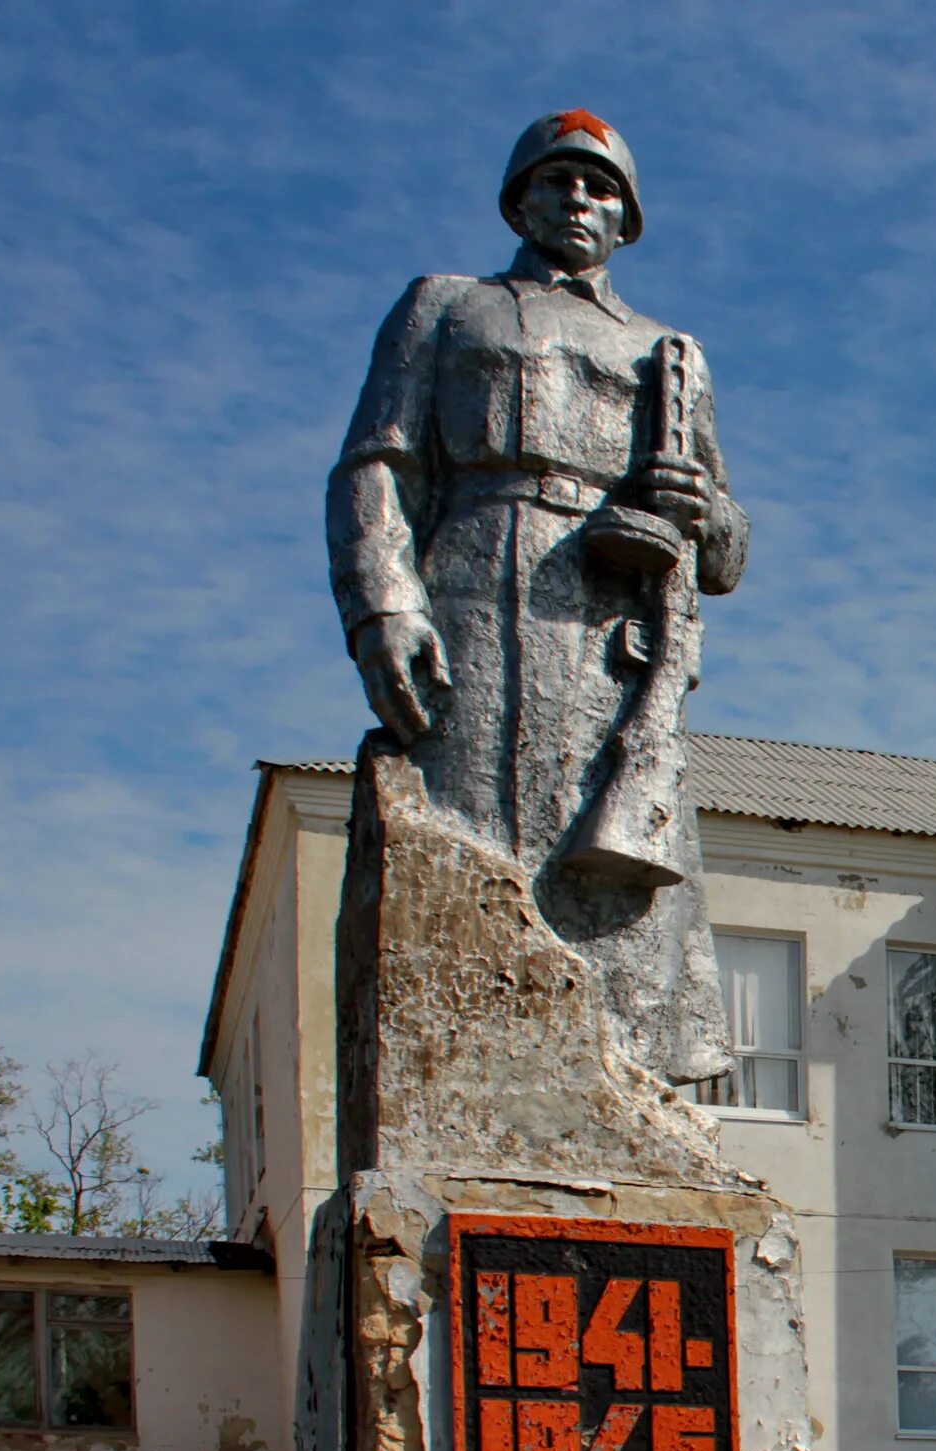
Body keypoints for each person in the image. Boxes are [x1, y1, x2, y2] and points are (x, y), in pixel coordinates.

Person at [327, 109, 747, 1085]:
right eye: (557, 181)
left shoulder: (667, 352)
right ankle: (475, 1070)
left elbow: (726, 552)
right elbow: (376, 466)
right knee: (471, 847)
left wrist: (702, 510)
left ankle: (623, 1082)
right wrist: (383, 604)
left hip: (614, 628)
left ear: (627, 219)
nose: (578, 200)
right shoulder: (447, 306)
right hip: (473, 590)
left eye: (601, 188)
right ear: (520, 197)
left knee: (613, 882)